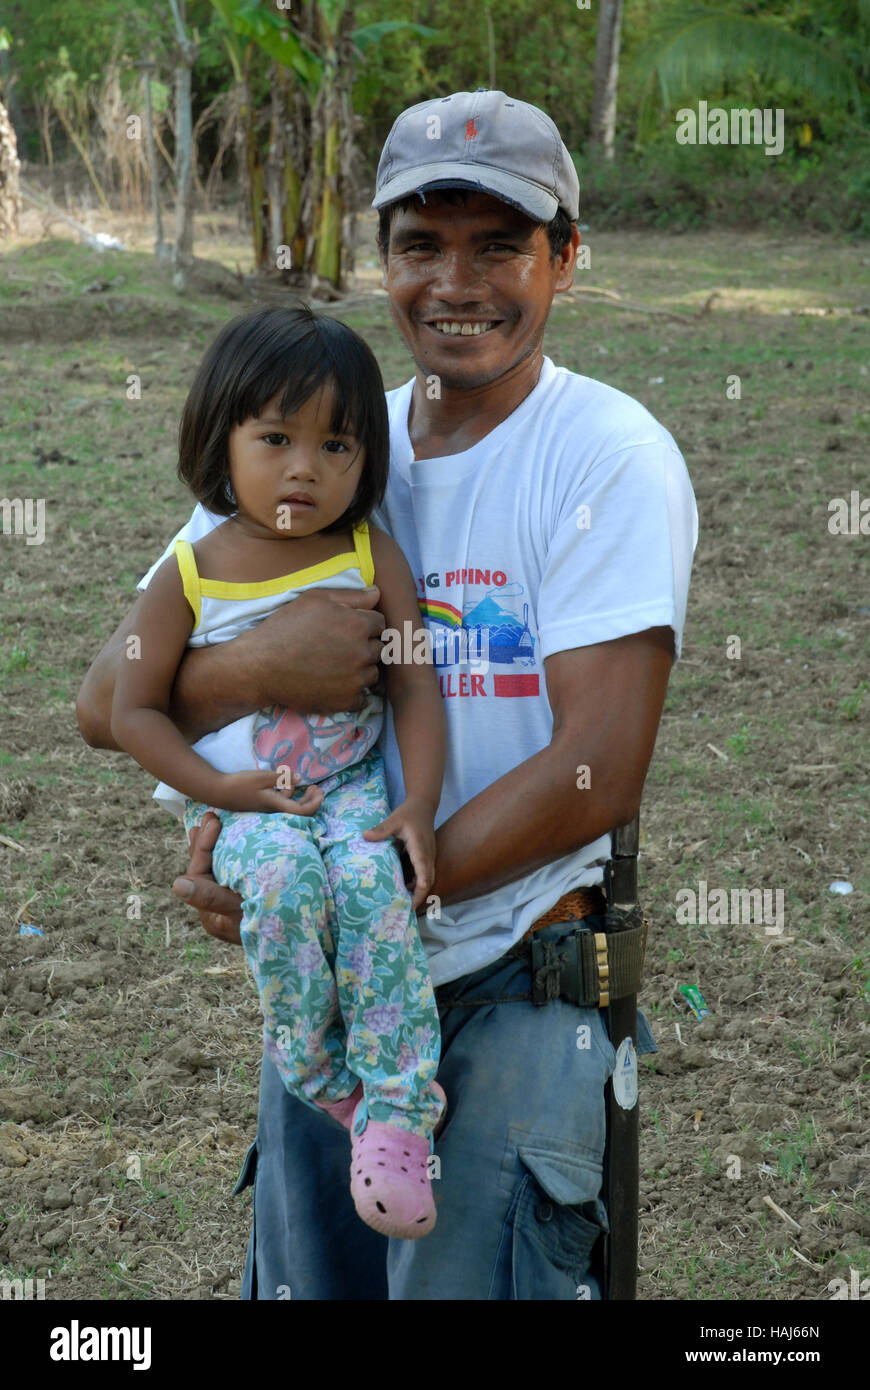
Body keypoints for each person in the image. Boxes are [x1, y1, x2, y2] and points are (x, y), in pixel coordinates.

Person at [77, 89, 698, 1300]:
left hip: (513, 983)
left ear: (566, 258)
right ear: (383, 260)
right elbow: (106, 701)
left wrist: (364, 893)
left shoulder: (606, 460)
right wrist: (259, 679)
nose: (456, 282)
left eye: (501, 245)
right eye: (422, 245)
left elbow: (599, 765)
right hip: (331, 987)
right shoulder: (323, 434)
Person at [108, 304, 447, 1240]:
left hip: (350, 791)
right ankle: (325, 1083)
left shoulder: (370, 552)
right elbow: (124, 708)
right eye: (275, 438)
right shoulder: (190, 571)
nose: (306, 467)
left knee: (378, 891)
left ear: (367, 462)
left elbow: (414, 681)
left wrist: (417, 800)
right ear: (221, 440)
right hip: (249, 811)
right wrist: (217, 795)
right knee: (289, 893)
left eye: (337, 445)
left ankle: (400, 1112)